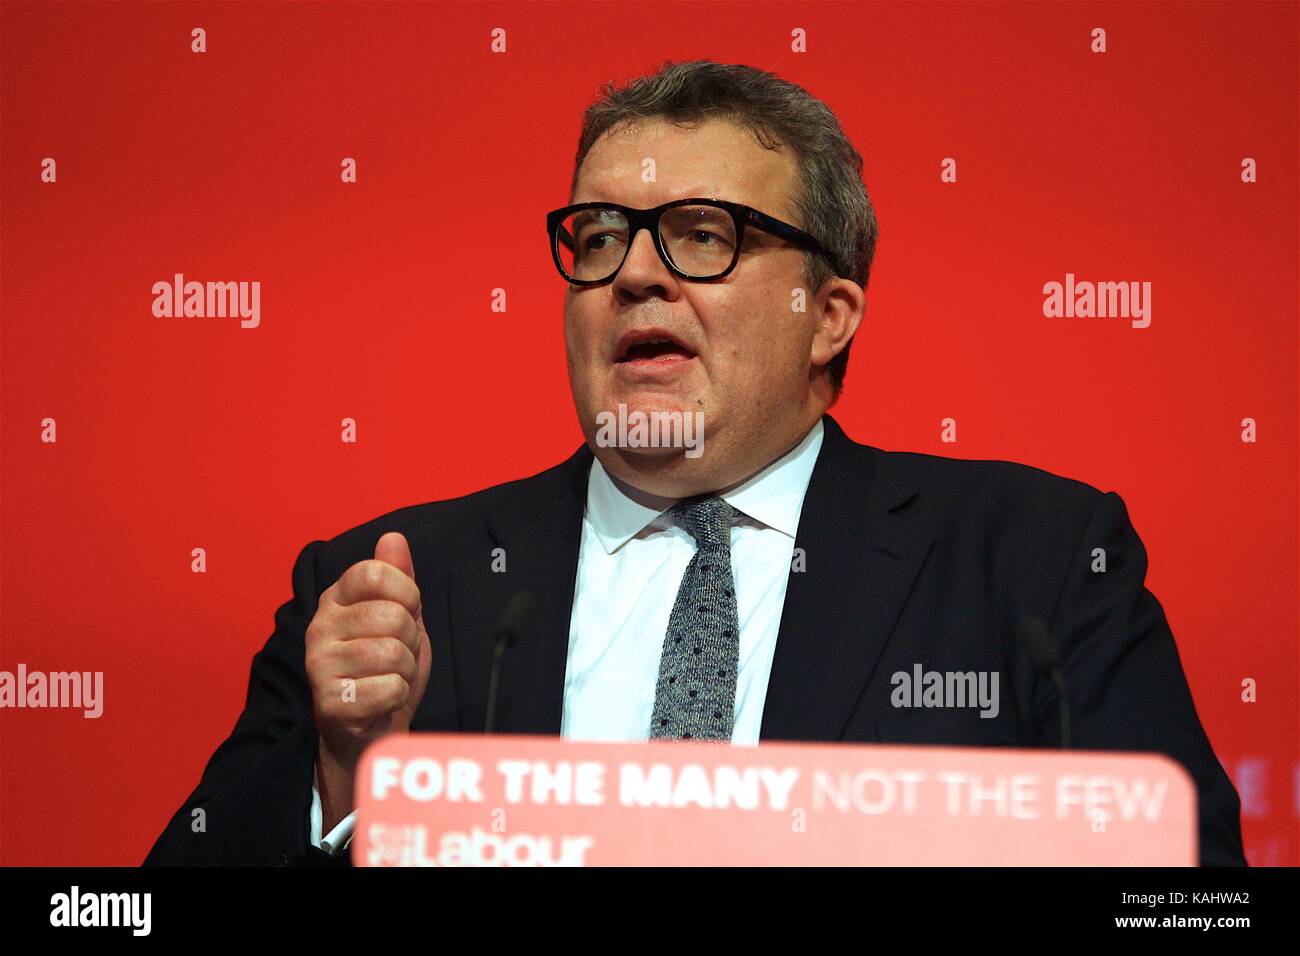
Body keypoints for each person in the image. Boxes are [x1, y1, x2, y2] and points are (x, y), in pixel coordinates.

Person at [144, 60, 1245, 867]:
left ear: (829, 312)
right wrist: (343, 789)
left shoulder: (1031, 562)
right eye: (599, 235)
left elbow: (1190, 889)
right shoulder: (390, 583)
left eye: (701, 233)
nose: (634, 276)